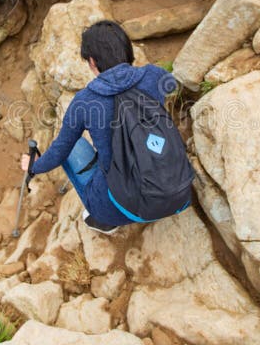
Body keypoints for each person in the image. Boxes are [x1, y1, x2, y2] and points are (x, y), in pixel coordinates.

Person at [20, 20, 187, 234]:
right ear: (127, 50)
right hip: (176, 195)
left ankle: (105, 221)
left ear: (92, 62)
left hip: (122, 209)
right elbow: (175, 86)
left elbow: (58, 152)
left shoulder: (84, 101)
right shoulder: (154, 75)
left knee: (75, 145)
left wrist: (34, 165)